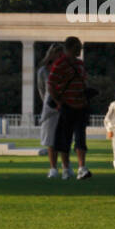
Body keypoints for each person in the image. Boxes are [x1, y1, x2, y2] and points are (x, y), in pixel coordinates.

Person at [46, 35, 93, 180]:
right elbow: (51, 84)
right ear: (71, 48)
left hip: (81, 105)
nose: (80, 50)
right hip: (67, 106)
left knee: (80, 137)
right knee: (64, 139)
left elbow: (84, 80)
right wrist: (58, 101)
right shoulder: (60, 64)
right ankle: (66, 168)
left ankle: (81, 168)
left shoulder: (80, 64)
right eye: (78, 47)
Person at [35, 44, 62, 157]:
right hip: (51, 107)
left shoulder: (66, 69)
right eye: (58, 54)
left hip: (64, 106)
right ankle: (54, 168)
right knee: (50, 140)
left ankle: (66, 166)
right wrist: (50, 104)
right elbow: (42, 90)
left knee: (63, 138)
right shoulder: (43, 71)